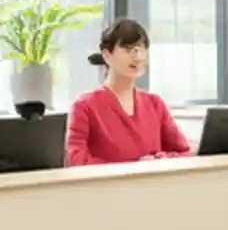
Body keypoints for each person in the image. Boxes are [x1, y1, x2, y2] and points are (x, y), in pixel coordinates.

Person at [66, 18, 192, 166]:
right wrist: (128, 169)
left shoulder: (155, 103)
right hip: (107, 187)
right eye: (127, 49)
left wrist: (159, 160)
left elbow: (184, 152)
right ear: (107, 55)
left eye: (141, 49)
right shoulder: (84, 106)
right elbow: (76, 160)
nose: (136, 56)